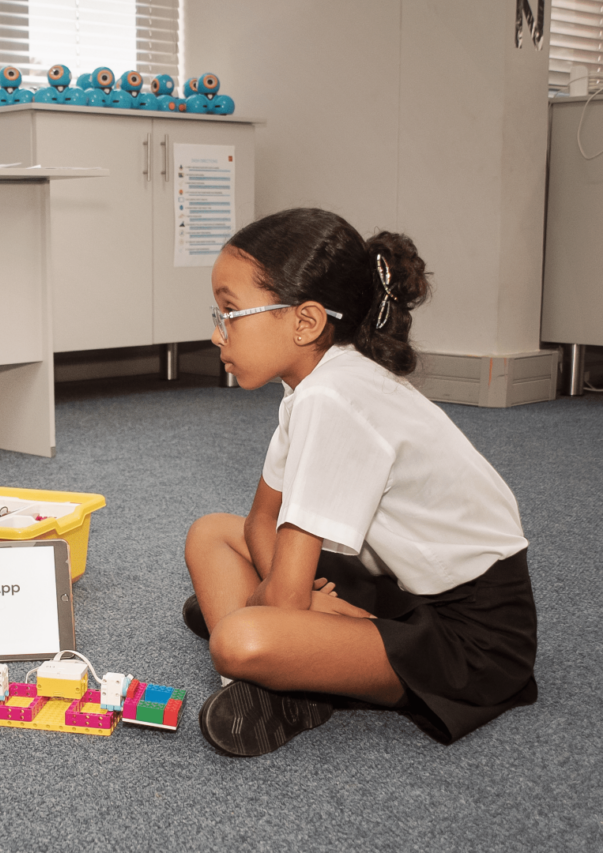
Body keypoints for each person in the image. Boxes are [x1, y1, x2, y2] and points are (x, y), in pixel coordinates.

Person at [184, 208, 536, 757]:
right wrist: (289, 601)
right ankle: (288, 668)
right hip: (400, 587)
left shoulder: (335, 398)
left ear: (305, 322)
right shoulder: (312, 382)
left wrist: (270, 604)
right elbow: (259, 521)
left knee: (238, 637)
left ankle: (275, 672)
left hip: (473, 639)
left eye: (230, 312)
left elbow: (285, 589)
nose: (215, 333)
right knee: (212, 533)